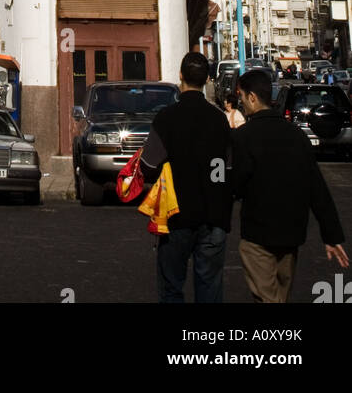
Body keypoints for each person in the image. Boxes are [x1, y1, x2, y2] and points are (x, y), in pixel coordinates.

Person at [232, 68, 348, 302]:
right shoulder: (297, 136)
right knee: (280, 296)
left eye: (242, 98)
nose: (241, 103)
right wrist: (331, 235)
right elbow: (317, 187)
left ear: (252, 97)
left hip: (258, 234)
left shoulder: (243, 137)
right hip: (291, 234)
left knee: (267, 297)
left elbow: (234, 184)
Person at [138, 51, 233, 304]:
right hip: (214, 215)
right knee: (210, 289)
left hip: (175, 216)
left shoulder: (167, 118)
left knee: (171, 288)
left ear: (180, 76)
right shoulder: (219, 119)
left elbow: (147, 165)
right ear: (207, 79)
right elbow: (228, 167)